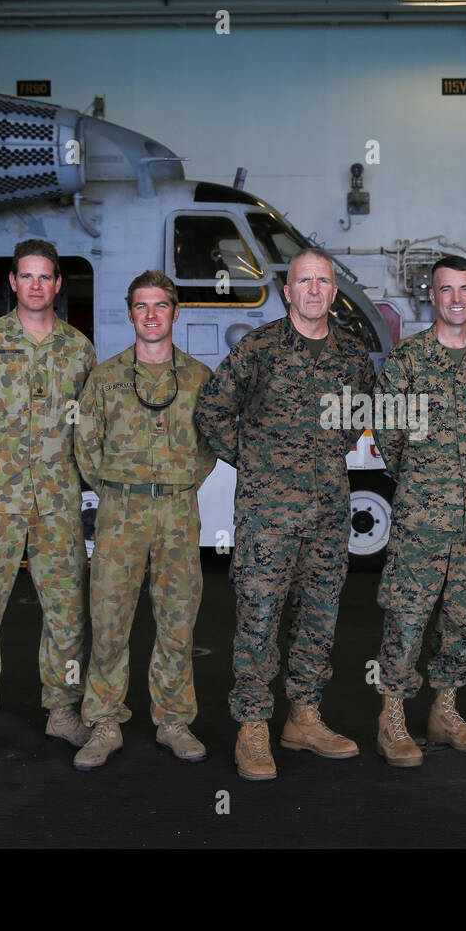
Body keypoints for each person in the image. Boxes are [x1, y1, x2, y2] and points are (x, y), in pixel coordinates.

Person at [195, 248, 376, 780]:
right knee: (258, 615)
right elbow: (212, 409)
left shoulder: (353, 355)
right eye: (304, 281)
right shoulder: (259, 348)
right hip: (267, 513)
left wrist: (323, 454)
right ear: (289, 291)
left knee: (319, 615)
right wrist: (254, 459)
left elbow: (357, 416)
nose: (315, 290)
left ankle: (304, 716)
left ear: (333, 292)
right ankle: (252, 725)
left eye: (323, 281)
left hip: (327, 509)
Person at [0, 239, 97, 767]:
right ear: (12, 283)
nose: (35, 285)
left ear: (56, 284)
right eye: (25, 276)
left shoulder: (79, 350)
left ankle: (63, 711)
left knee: (67, 613)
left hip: (56, 505)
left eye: (44, 277)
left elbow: (88, 428)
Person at [371, 256, 466, 767]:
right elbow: (388, 437)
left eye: (465, 290)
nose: (456, 298)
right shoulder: (407, 360)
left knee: (464, 617)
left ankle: (445, 710)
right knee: (407, 617)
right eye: (446, 290)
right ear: (431, 296)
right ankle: (393, 716)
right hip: (420, 518)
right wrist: (425, 480)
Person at [70, 270, 217, 770]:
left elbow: (208, 450)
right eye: (141, 306)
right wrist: (116, 488)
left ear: (175, 313)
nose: (151, 315)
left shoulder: (198, 379)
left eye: (160, 306)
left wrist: (177, 485)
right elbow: (85, 447)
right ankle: (105, 720)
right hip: (120, 510)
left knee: (178, 619)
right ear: (130, 313)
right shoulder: (106, 379)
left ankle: (173, 719)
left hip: (178, 511)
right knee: (109, 617)